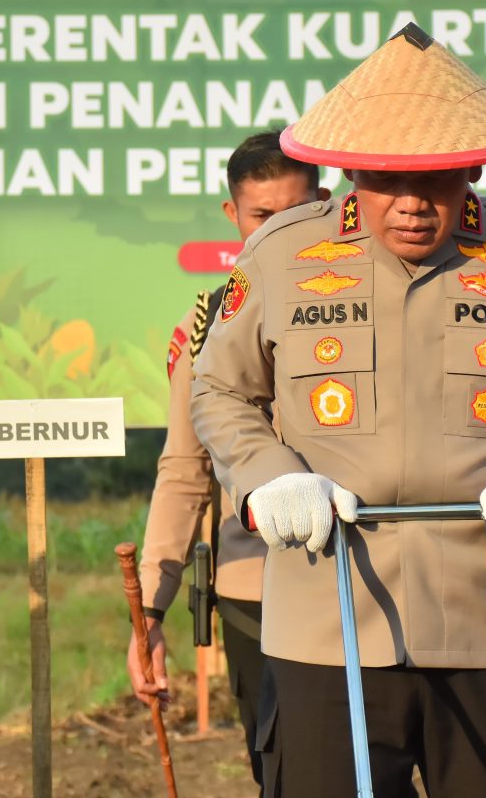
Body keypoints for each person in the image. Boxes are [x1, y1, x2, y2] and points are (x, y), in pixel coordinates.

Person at [189, 23, 486, 797]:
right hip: (323, 626)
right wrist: (268, 476)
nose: (409, 205)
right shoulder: (281, 256)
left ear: (471, 167)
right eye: (383, 180)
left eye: (435, 181)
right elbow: (219, 388)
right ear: (347, 172)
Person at [127, 132, 325, 789]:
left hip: (367, 582)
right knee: (284, 772)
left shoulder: (369, 306)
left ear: (326, 204)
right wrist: (151, 610)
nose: (278, 233)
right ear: (232, 217)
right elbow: (185, 469)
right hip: (254, 591)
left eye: (296, 214)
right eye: (262, 217)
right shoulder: (210, 323)